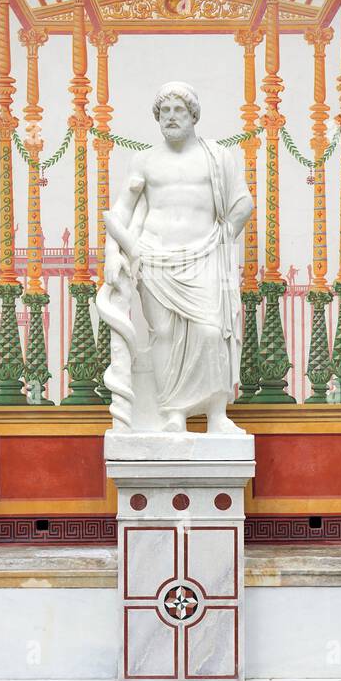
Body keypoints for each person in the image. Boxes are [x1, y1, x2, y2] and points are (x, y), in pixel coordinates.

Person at [102, 82, 253, 432]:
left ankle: (217, 416)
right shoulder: (145, 160)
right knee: (165, 335)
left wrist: (225, 234)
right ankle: (174, 415)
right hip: (155, 258)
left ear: (193, 115)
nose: (171, 117)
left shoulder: (216, 156)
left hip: (204, 256)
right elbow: (121, 210)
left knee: (212, 332)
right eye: (164, 111)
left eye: (179, 111)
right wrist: (113, 253)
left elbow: (242, 202)